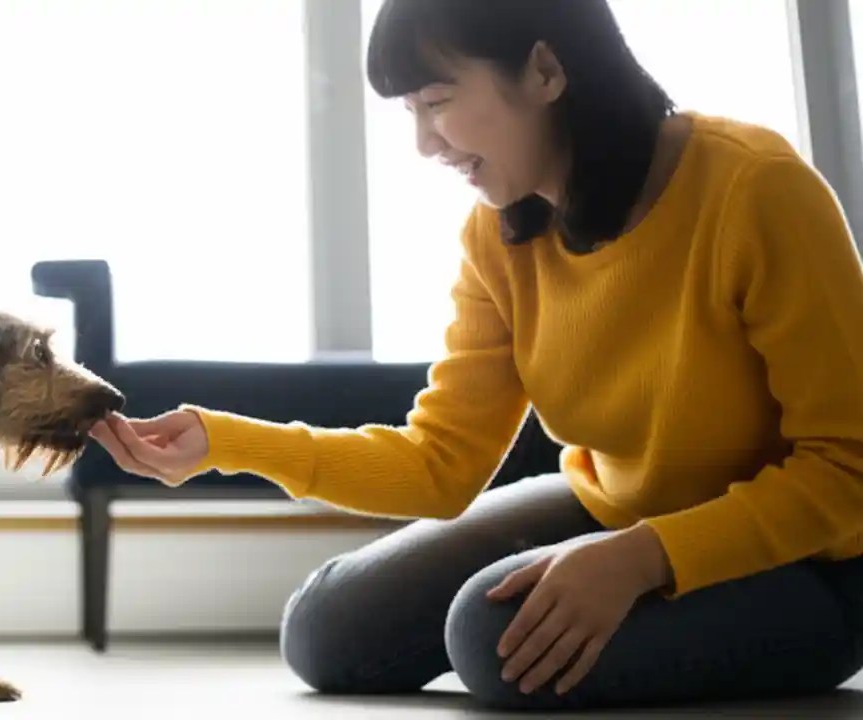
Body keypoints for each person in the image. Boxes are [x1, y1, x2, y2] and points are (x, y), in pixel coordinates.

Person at [89, 0, 863, 711]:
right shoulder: (500, 235)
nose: (424, 143)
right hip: (619, 510)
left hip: (815, 563)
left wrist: (642, 558)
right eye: (409, 112)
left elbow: (849, 470)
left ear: (546, 70)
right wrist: (226, 443)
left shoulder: (755, 190)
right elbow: (440, 461)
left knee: (488, 638)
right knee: (327, 629)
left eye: (437, 102)